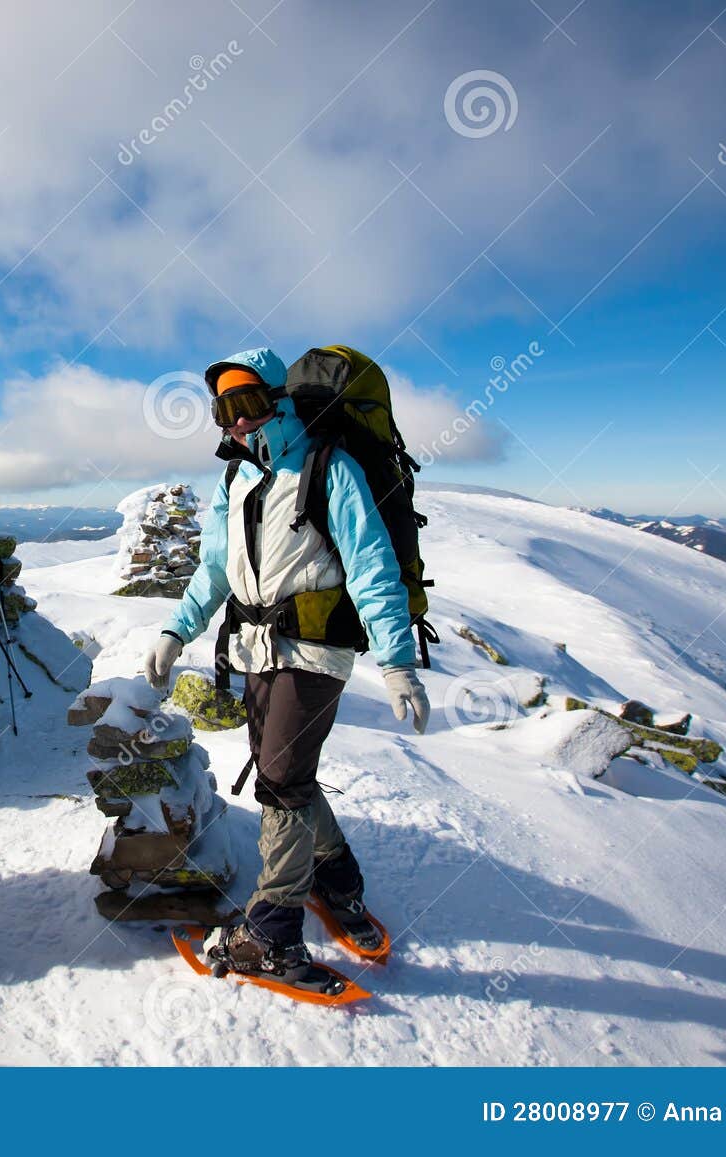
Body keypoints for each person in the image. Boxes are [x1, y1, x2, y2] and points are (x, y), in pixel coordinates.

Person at [142, 346, 429, 994]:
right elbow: (215, 570)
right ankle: (338, 877)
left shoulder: (329, 468)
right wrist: (173, 630)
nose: (236, 422)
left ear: (277, 399)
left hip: (317, 651)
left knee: (279, 783)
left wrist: (397, 662)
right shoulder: (236, 481)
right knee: (287, 774)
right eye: (223, 411)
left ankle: (273, 934)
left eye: (246, 404)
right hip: (257, 651)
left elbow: (373, 567)